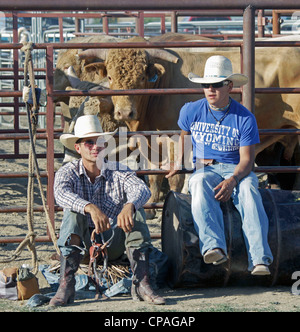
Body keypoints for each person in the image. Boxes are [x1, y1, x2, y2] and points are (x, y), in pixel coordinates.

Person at [166, 55, 273, 275]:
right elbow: (184, 138)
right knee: (197, 182)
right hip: (206, 168)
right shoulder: (191, 110)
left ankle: (259, 258)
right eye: (206, 85)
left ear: (229, 86)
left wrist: (233, 180)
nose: (210, 89)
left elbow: (247, 160)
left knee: (249, 190)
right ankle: (213, 246)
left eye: (216, 84)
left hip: (236, 169)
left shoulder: (244, 117)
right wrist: (180, 161)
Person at [50, 115, 165, 306]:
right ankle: (66, 285)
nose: (96, 147)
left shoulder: (119, 170)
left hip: (115, 244)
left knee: (135, 210)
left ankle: (141, 283)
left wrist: (129, 205)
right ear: (77, 148)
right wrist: (89, 207)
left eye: (100, 142)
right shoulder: (68, 172)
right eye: (89, 142)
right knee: (73, 211)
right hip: (85, 246)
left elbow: (141, 189)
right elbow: (60, 193)